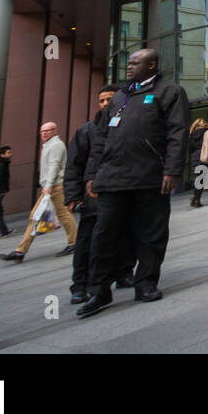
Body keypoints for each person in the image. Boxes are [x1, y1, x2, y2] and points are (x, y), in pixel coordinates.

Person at [76, 47, 189, 318]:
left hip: (150, 177)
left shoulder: (169, 92)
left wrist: (172, 170)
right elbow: (100, 138)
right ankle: (99, 290)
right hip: (112, 178)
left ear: (151, 66)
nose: (129, 66)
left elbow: (177, 133)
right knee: (104, 234)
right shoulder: (119, 97)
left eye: (136, 63)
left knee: (151, 233)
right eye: (129, 62)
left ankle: (146, 284)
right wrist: (92, 174)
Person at [64, 85, 136, 304]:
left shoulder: (129, 126)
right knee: (88, 241)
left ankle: (123, 273)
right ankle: (80, 284)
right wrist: (72, 195)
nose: (105, 104)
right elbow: (74, 164)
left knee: (125, 235)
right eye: (101, 100)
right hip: (95, 196)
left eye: (109, 99)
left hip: (123, 191)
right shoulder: (86, 130)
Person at [0, 122, 78, 262]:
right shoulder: (49, 145)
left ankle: (21, 251)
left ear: (55, 131)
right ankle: (20, 251)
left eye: (48, 130)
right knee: (50, 216)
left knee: (54, 216)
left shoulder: (56, 145)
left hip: (54, 187)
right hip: (51, 187)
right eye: (42, 131)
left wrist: (48, 186)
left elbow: (54, 166)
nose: (44, 133)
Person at [188, 118, 208, 207]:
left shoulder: (192, 135)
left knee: (200, 178)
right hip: (204, 157)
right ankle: (196, 199)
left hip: (195, 157)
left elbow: (190, 149)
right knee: (201, 178)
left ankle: (195, 198)